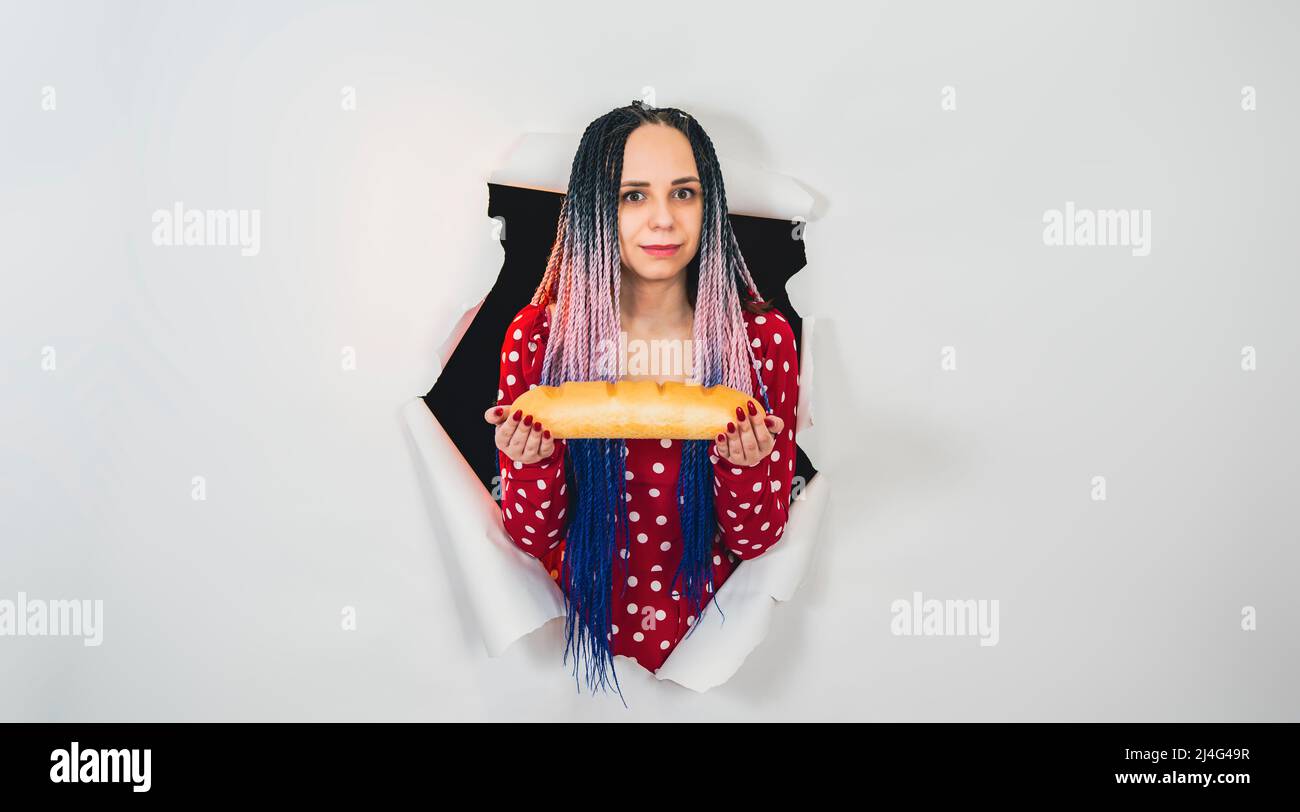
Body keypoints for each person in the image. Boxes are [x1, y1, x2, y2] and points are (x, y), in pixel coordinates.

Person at [482, 100, 799, 702]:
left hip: (725, 663)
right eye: (633, 196)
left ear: (710, 207)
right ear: (594, 209)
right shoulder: (540, 339)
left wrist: (746, 466)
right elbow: (530, 535)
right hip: (572, 665)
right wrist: (530, 461)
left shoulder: (761, 342)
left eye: (684, 194)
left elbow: (758, 541)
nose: (664, 220)